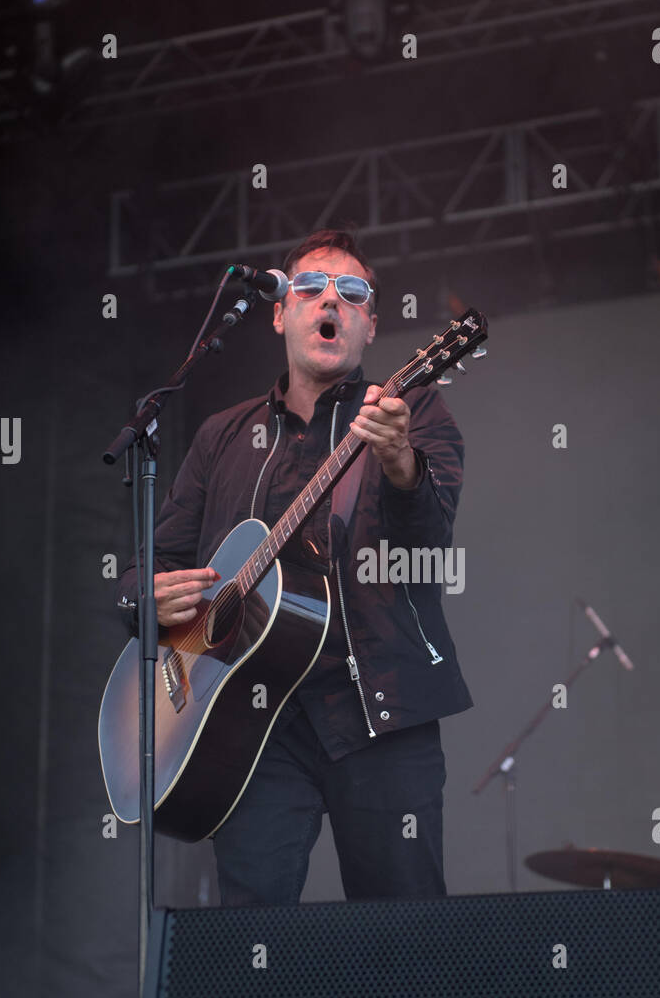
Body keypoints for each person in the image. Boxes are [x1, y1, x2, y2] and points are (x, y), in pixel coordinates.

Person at [116, 228, 472, 905]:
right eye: (309, 288)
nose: (328, 300)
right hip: (250, 726)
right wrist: (144, 601)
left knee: (406, 937)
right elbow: (151, 560)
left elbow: (427, 541)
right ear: (279, 313)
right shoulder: (224, 433)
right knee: (252, 941)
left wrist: (399, 460)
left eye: (352, 293)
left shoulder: (411, 407)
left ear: (369, 324)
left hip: (379, 716)